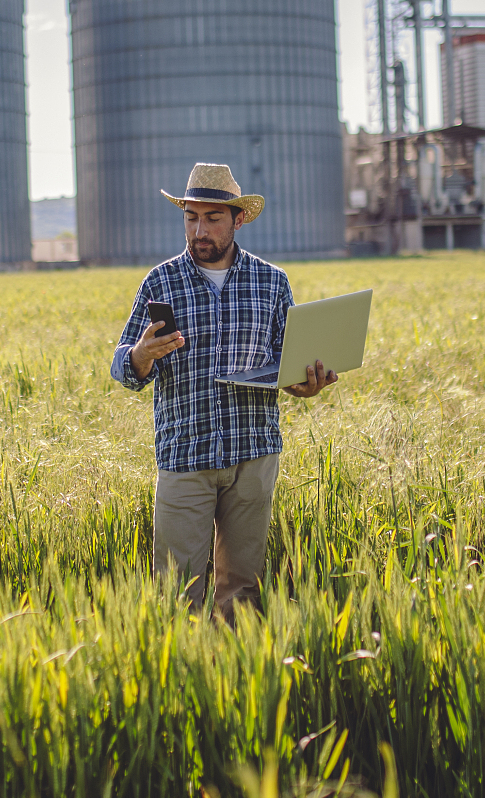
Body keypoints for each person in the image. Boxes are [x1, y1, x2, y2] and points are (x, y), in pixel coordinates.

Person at [111, 162, 338, 618]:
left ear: (238, 219)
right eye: (191, 217)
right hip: (184, 457)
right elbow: (123, 366)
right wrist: (142, 355)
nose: (200, 229)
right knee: (176, 596)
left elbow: (286, 363)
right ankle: (181, 680)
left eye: (212, 218)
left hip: (253, 453)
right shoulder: (160, 282)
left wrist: (306, 385)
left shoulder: (272, 282)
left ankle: (232, 681)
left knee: (242, 594)